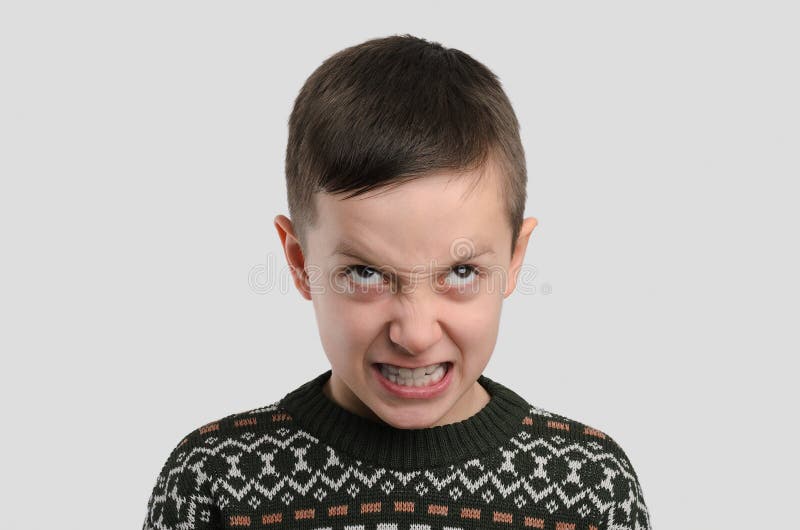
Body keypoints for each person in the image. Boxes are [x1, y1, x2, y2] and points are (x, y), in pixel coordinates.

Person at [142, 34, 651, 530]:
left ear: (514, 259)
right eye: (366, 274)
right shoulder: (212, 485)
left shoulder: (589, 493)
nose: (415, 334)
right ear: (300, 263)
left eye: (460, 272)